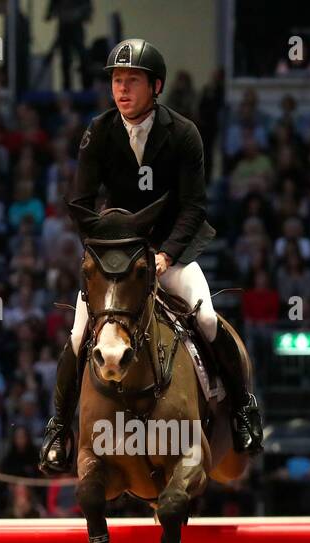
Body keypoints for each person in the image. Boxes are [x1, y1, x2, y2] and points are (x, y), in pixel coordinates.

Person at [39, 39, 264, 475]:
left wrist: (165, 255)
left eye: (132, 81)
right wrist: (108, 253)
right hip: (119, 261)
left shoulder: (182, 133)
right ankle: (58, 428)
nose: (121, 89)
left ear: (155, 86)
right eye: (116, 81)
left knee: (208, 320)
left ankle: (241, 410)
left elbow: (195, 206)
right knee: (77, 331)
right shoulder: (99, 132)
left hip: (172, 251)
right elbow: (82, 203)